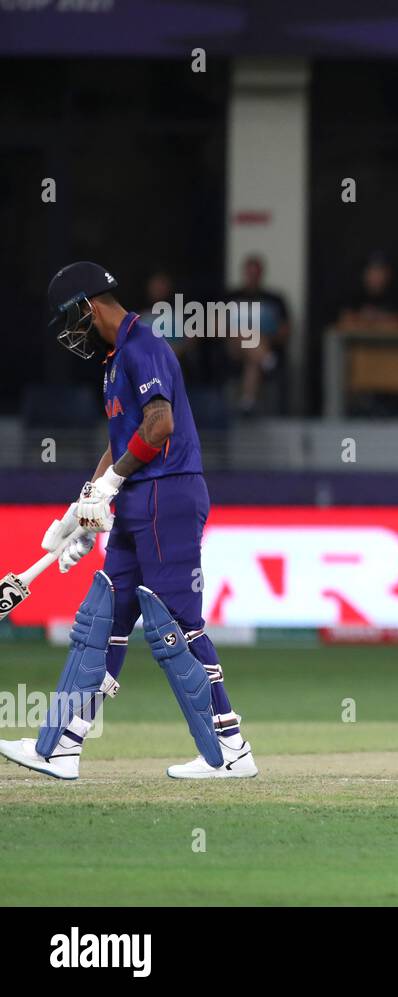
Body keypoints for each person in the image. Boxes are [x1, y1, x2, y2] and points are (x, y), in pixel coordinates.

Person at [0, 262, 257, 780]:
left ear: (88, 306)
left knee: (179, 625)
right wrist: (84, 504)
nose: (70, 330)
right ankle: (63, 745)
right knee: (104, 622)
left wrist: (113, 484)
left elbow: (159, 425)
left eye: (69, 317)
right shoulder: (115, 362)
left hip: (168, 494)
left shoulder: (146, 348)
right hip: (139, 496)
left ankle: (231, 748)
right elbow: (123, 441)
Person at [227, 253, 292, 415]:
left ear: (261, 274)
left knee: (253, 360)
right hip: (235, 347)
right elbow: (218, 326)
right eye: (250, 273)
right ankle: (267, 360)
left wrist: (264, 336)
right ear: (244, 273)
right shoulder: (231, 297)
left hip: (264, 344)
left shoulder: (275, 299)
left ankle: (247, 402)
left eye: (256, 274)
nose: (252, 277)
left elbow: (285, 330)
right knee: (247, 336)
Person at [337, 252, 398, 330]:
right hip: (358, 341)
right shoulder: (354, 295)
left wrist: (367, 321)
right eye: (373, 270)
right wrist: (378, 322)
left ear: (388, 274)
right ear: (365, 273)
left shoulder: (396, 296)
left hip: (386, 341)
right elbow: (346, 322)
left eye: (381, 271)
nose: (377, 276)